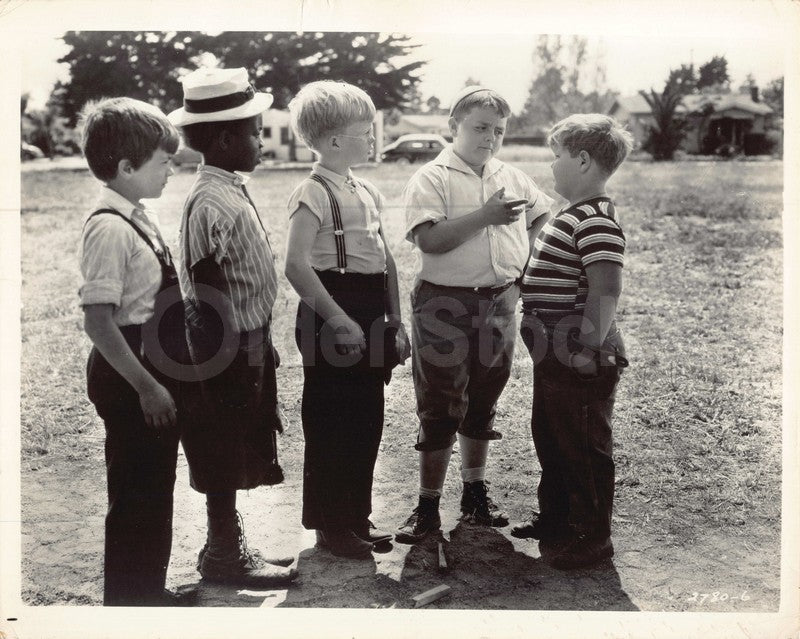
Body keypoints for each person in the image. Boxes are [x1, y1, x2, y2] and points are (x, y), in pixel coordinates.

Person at [395, 86, 553, 544]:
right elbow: (430, 241)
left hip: (500, 299)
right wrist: (485, 216)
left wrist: (522, 265)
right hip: (445, 301)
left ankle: (474, 493)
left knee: (484, 396)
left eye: (499, 130)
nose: (490, 138)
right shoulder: (433, 176)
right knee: (441, 402)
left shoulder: (512, 176)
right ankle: (426, 506)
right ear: (453, 127)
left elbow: (542, 217)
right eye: (480, 128)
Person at [168, 67, 297, 586]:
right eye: (253, 132)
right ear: (224, 138)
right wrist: (226, 361)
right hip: (223, 346)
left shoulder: (228, 187)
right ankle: (223, 552)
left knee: (238, 442)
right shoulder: (211, 198)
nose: (261, 141)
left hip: (246, 339)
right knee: (221, 444)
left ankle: (225, 543)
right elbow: (206, 286)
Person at [285, 80, 410, 559]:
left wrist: (395, 321)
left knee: (366, 420)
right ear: (335, 140)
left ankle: (355, 516)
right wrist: (337, 319)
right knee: (331, 420)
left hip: (369, 306)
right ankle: (330, 525)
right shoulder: (311, 192)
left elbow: (386, 259)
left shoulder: (365, 189)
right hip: (329, 309)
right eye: (366, 131)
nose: (374, 138)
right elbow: (296, 265)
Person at [78, 97, 192, 605]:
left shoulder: (139, 215)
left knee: (154, 487)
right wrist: (147, 387)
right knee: (134, 493)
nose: (171, 170)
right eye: (162, 162)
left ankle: (148, 590)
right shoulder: (108, 226)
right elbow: (99, 321)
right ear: (126, 167)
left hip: (153, 367)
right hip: (130, 374)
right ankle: (127, 605)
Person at [511, 113, 633, 570]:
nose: (551, 167)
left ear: (582, 160)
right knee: (552, 434)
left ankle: (591, 536)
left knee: (583, 445)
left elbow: (606, 289)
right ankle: (558, 519)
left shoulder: (597, 219)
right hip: (554, 352)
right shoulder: (574, 214)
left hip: (579, 352)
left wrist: (587, 347)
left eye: (556, 157)